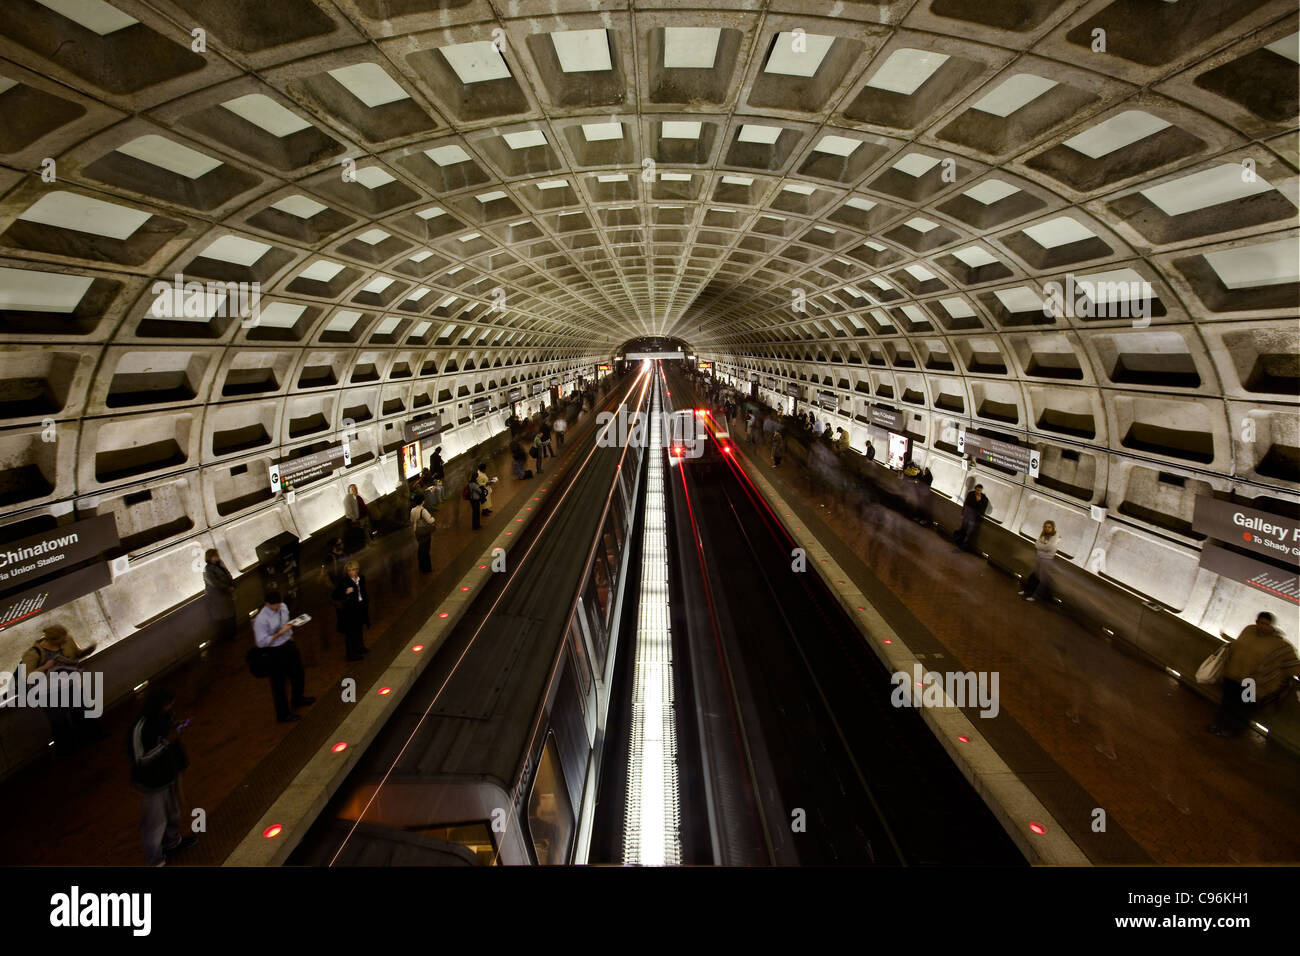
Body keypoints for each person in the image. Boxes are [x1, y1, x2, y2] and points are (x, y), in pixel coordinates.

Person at [128, 687, 196, 866]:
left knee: (173, 812)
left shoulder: (165, 716)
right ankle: (156, 860)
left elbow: (170, 737)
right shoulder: (140, 727)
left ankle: (173, 842)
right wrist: (164, 745)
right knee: (155, 821)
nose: (169, 707)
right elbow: (140, 759)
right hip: (151, 781)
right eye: (167, 705)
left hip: (168, 773)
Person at [1209, 612, 1300, 737]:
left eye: (1266, 624)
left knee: (1244, 708)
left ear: (1272, 626)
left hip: (1253, 684)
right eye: (1261, 623)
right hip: (1233, 675)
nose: (1263, 626)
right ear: (1256, 622)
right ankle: (1219, 725)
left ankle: (1233, 731)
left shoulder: (1279, 644)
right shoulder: (1249, 631)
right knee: (1227, 703)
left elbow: (1292, 663)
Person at [20, 625, 99, 755]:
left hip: (67, 684)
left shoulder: (66, 641)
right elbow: (27, 676)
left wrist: (87, 651)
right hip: (46, 692)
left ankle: (90, 738)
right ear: (51, 640)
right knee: (59, 721)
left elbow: (77, 654)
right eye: (60, 641)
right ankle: (68, 750)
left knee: (82, 711)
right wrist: (45, 666)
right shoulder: (33, 653)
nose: (63, 643)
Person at [252, 590, 314, 723]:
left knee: (298, 673)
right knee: (279, 684)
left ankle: (298, 699)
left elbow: (287, 623)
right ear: (267, 604)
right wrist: (280, 633)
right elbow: (261, 642)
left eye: (279, 603)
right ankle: (283, 714)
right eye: (275, 605)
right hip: (275, 651)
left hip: (288, 644)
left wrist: (290, 632)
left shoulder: (283, 607)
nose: (278, 607)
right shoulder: (261, 620)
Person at [332, 561, 371, 661]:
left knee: (359, 629)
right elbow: (334, 595)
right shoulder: (344, 582)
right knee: (350, 633)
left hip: (360, 607)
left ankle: (360, 647)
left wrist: (365, 602)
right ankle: (351, 654)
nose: (351, 572)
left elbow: (363, 591)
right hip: (350, 611)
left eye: (353, 570)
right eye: (349, 570)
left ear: (357, 570)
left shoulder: (361, 578)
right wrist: (345, 592)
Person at [202, 549, 237, 642]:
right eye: (215, 555)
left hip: (225, 595)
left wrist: (231, 584)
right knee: (223, 618)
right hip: (218, 597)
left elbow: (227, 574)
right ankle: (226, 638)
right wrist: (227, 587)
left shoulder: (220, 565)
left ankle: (232, 635)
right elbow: (214, 583)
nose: (217, 557)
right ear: (210, 557)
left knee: (229, 615)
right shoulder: (208, 569)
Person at [1020, 521, 1059, 602]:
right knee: (1033, 576)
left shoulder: (1055, 537)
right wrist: (1042, 547)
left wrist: (1041, 547)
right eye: (1045, 527)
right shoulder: (1043, 535)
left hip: (1047, 560)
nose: (1047, 528)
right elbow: (1036, 544)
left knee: (1042, 580)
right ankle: (1027, 591)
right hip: (1039, 558)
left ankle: (1035, 596)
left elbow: (1049, 547)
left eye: (1049, 527)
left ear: (1053, 528)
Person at [954, 484, 990, 553]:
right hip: (967, 516)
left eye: (979, 490)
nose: (978, 491)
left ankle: (964, 547)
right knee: (963, 530)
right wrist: (963, 513)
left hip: (974, 518)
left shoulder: (983, 498)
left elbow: (982, 509)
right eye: (977, 490)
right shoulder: (971, 494)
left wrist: (979, 501)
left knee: (969, 533)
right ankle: (959, 544)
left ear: (981, 490)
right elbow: (966, 503)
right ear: (975, 489)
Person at [411, 496, 437, 574]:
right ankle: (427, 568)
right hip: (424, 532)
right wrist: (433, 518)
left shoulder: (412, 510)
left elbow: (411, 520)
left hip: (417, 532)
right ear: (422, 501)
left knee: (421, 549)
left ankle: (421, 567)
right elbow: (429, 521)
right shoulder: (423, 510)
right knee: (426, 550)